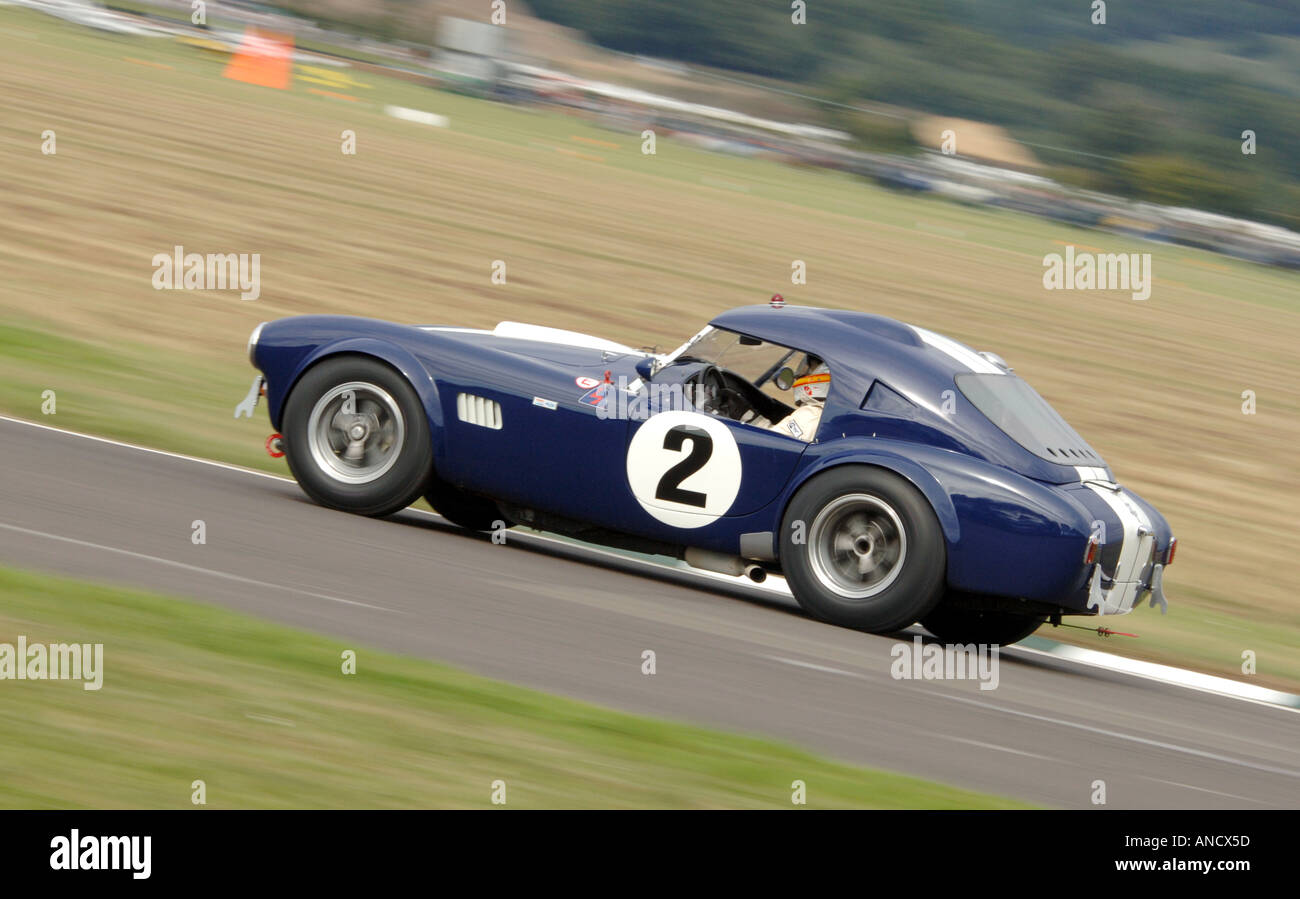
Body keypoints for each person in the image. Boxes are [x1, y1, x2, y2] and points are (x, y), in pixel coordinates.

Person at [768, 360, 829, 442]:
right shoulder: (827, 412)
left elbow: (765, 441)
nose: (799, 376)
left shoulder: (809, 415)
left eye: (810, 368)